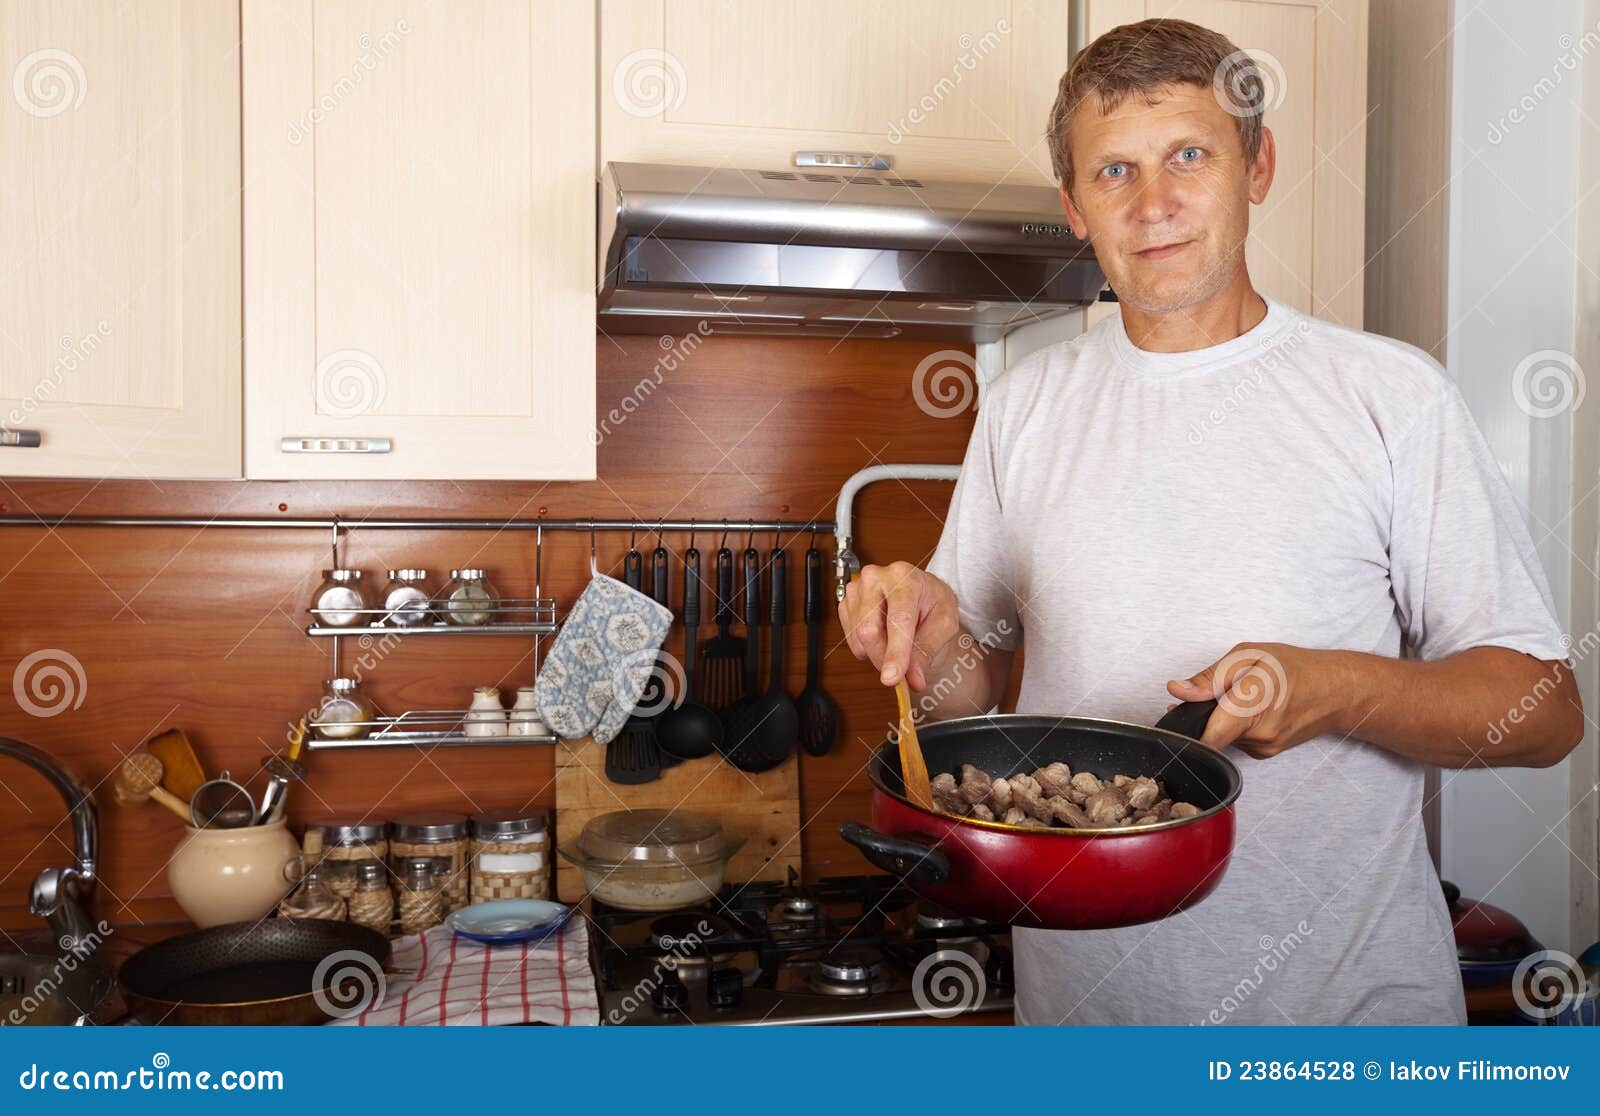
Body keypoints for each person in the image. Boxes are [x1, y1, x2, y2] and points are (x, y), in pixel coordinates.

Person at [838, 18, 1583, 1025]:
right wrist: (933, 641)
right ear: (1072, 207)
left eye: (1189, 154)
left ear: (1257, 165)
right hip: (1088, 1024)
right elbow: (968, 710)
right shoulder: (1025, 403)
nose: (1154, 205)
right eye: (1114, 171)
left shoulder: (1388, 397)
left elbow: (1542, 713)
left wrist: (1331, 688)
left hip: (1346, 1025)